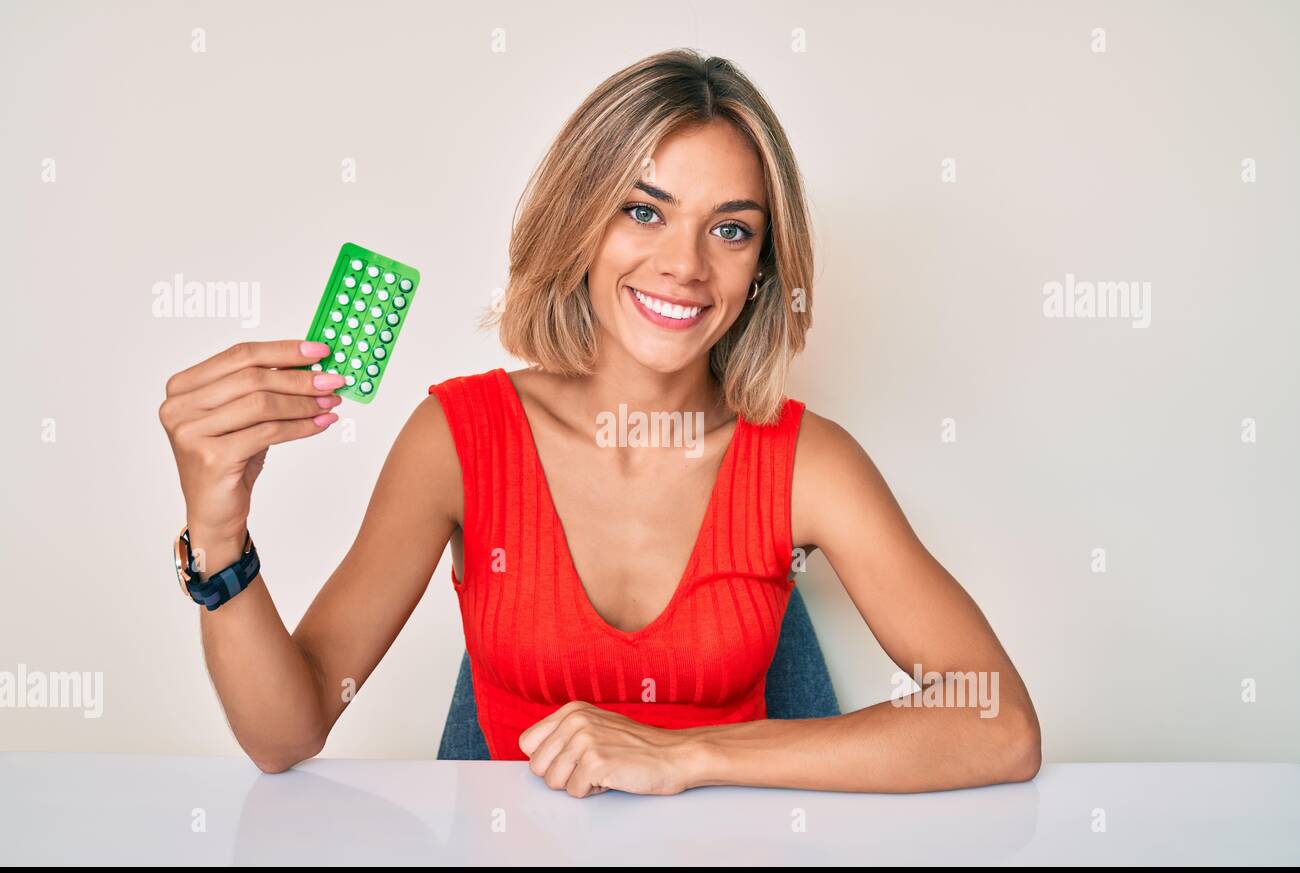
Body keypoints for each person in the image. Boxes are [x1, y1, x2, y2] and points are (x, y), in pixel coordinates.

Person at [158, 48, 1040, 798]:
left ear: (764, 269)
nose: (684, 265)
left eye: (730, 231)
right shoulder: (457, 441)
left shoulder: (809, 462)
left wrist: (686, 755)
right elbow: (287, 731)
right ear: (580, 220)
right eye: (643, 210)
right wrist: (219, 528)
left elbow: (998, 725)